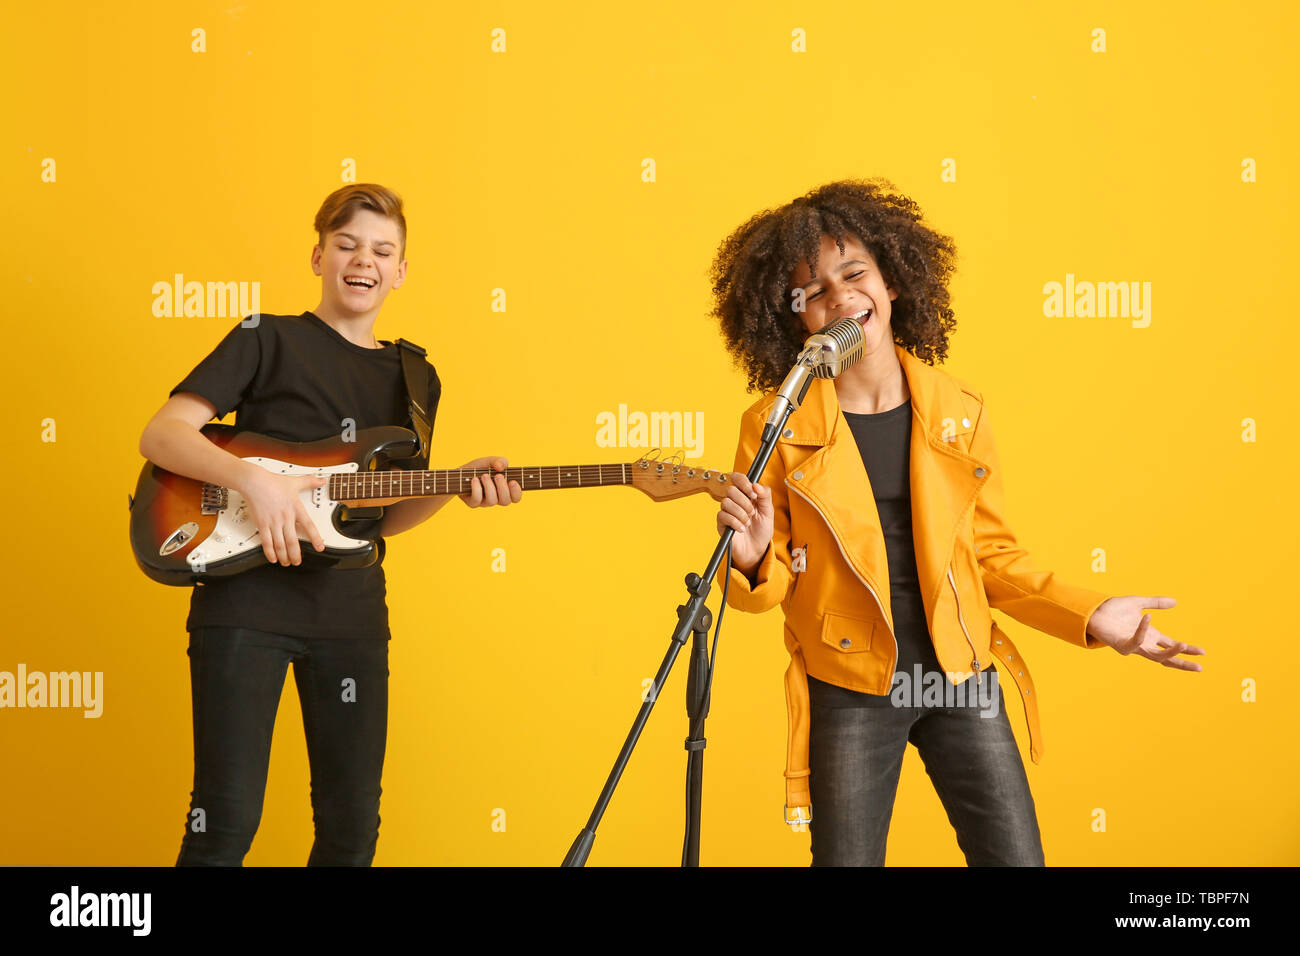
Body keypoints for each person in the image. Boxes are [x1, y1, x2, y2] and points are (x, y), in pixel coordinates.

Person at [709, 179, 1204, 866]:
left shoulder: (960, 410)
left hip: (961, 671)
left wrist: (1092, 616)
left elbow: (993, 557)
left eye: (855, 274)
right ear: (794, 319)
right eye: (815, 291)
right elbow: (770, 584)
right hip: (851, 683)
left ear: (894, 284)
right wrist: (753, 555)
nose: (841, 297)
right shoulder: (773, 424)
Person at [138, 183, 522, 866]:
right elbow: (163, 434)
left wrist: (456, 485)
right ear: (318, 255)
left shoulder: (416, 377)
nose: (362, 260)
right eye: (346, 245)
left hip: (350, 618)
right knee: (224, 823)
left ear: (401, 270)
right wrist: (255, 481)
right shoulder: (267, 338)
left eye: (381, 250)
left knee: (351, 834)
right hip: (243, 607)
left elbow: (383, 517)